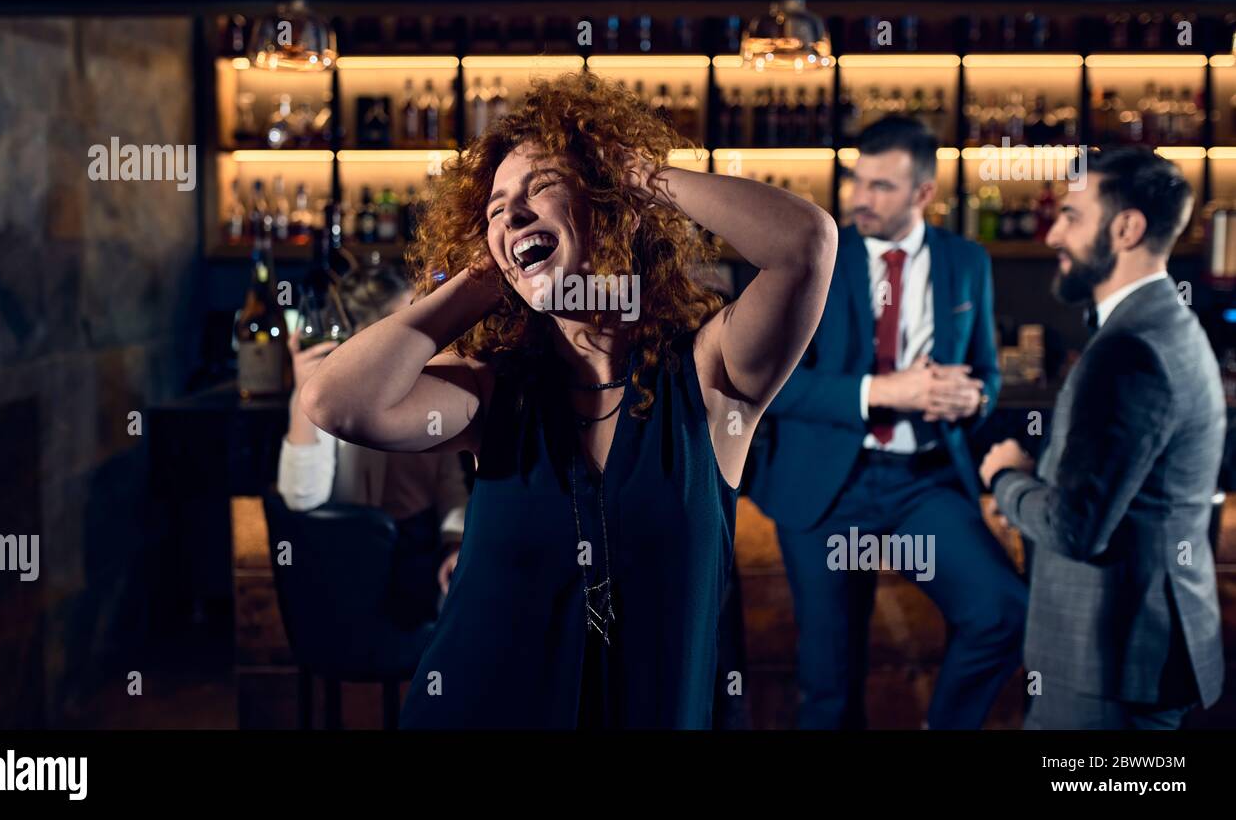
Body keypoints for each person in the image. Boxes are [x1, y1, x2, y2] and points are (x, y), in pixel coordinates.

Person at [300, 69, 837, 728]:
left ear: (611, 207)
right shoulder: (494, 388)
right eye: (495, 207)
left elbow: (806, 244)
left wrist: (640, 177)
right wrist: (487, 273)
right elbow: (334, 402)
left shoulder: (710, 376)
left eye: (540, 188)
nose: (511, 212)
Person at [747, 116, 1026, 729]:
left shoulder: (966, 261)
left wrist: (971, 398)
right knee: (827, 683)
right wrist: (882, 390)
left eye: (881, 187)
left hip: (923, 483)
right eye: (857, 181)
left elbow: (986, 370)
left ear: (924, 193)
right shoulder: (811, 256)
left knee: (1001, 612)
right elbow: (770, 380)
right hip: (826, 488)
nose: (858, 199)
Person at [980, 148, 1225, 730]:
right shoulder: (1166, 323)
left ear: (1126, 228)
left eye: (1071, 216)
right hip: (1139, 649)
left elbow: (1075, 527)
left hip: (1106, 659)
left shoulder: (1127, 350)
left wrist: (1007, 476)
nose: (1053, 234)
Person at [280, 264, 468, 629]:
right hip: (348, 562)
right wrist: (303, 396)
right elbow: (302, 497)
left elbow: (450, 485)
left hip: (423, 552)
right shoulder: (333, 401)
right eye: (405, 327)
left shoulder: (432, 391)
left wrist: (454, 543)